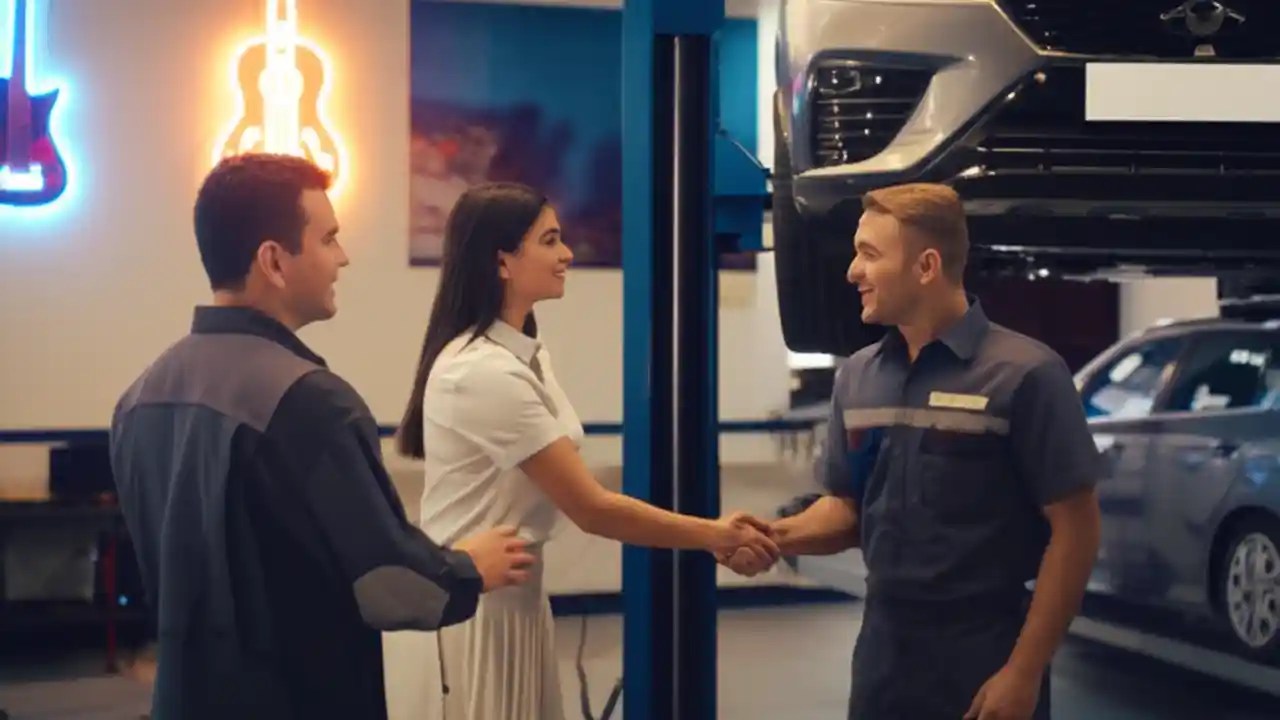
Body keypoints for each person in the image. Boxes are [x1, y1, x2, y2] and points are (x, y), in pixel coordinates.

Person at [109, 154, 536, 720]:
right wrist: (470, 567)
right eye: (329, 239)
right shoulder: (308, 401)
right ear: (274, 261)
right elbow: (395, 586)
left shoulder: (140, 398)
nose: (343, 258)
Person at [392, 182, 781, 719]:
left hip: (517, 601)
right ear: (503, 261)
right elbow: (592, 508)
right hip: (476, 613)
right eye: (549, 241)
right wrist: (715, 534)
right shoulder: (481, 371)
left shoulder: (526, 353)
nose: (567, 254)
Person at [721, 183, 1102, 720]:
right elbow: (848, 508)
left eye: (869, 254)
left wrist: (1023, 673)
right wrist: (771, 536)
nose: (852, 271)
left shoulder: (1026, 374)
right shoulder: (858, 378)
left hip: (985, 649)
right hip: (884, 652)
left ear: (926, 266)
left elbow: (1077, 529)